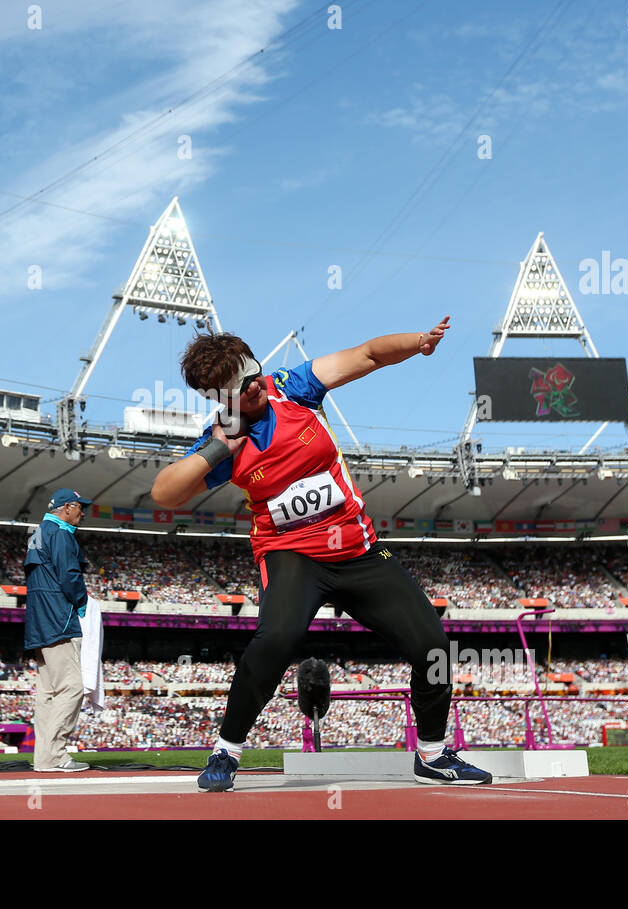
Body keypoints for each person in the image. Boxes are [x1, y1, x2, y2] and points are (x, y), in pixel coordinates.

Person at [151, 320, 493, 791]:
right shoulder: (227, 437)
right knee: (276, 640)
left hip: (358, 550)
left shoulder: (293, 387)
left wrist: (418, 343)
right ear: (217, 395)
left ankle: (433, 754)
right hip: (291, 554)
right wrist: (216, 450)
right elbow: (165, 494)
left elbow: (369, 353)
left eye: (252, 372)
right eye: (238, 385)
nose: (253, 385)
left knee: (433, 648)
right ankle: (226, 752)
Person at [24, 488, 92, 772]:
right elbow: (69, 575)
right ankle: (56, 754)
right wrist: (82, 601)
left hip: (39, 619)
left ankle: (44, 758)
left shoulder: (39, 532)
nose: (83, 513)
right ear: (67, 507)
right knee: (72, 687)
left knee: (48, 692)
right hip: (58, 618)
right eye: (80, 507)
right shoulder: (61, 533)